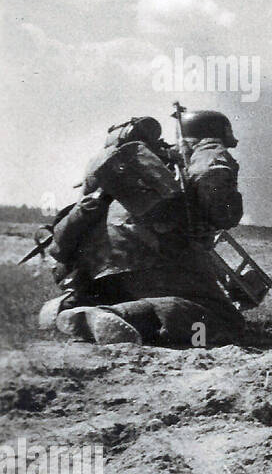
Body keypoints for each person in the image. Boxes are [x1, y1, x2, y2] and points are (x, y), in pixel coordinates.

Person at [38, 111, 246, 346]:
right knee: (225, 320)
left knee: (134, 292)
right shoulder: (206, 151)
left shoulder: (120, 165)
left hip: (99, 267)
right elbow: (217, 198)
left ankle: (72, 308)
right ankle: (119, 317)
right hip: (151, 259)